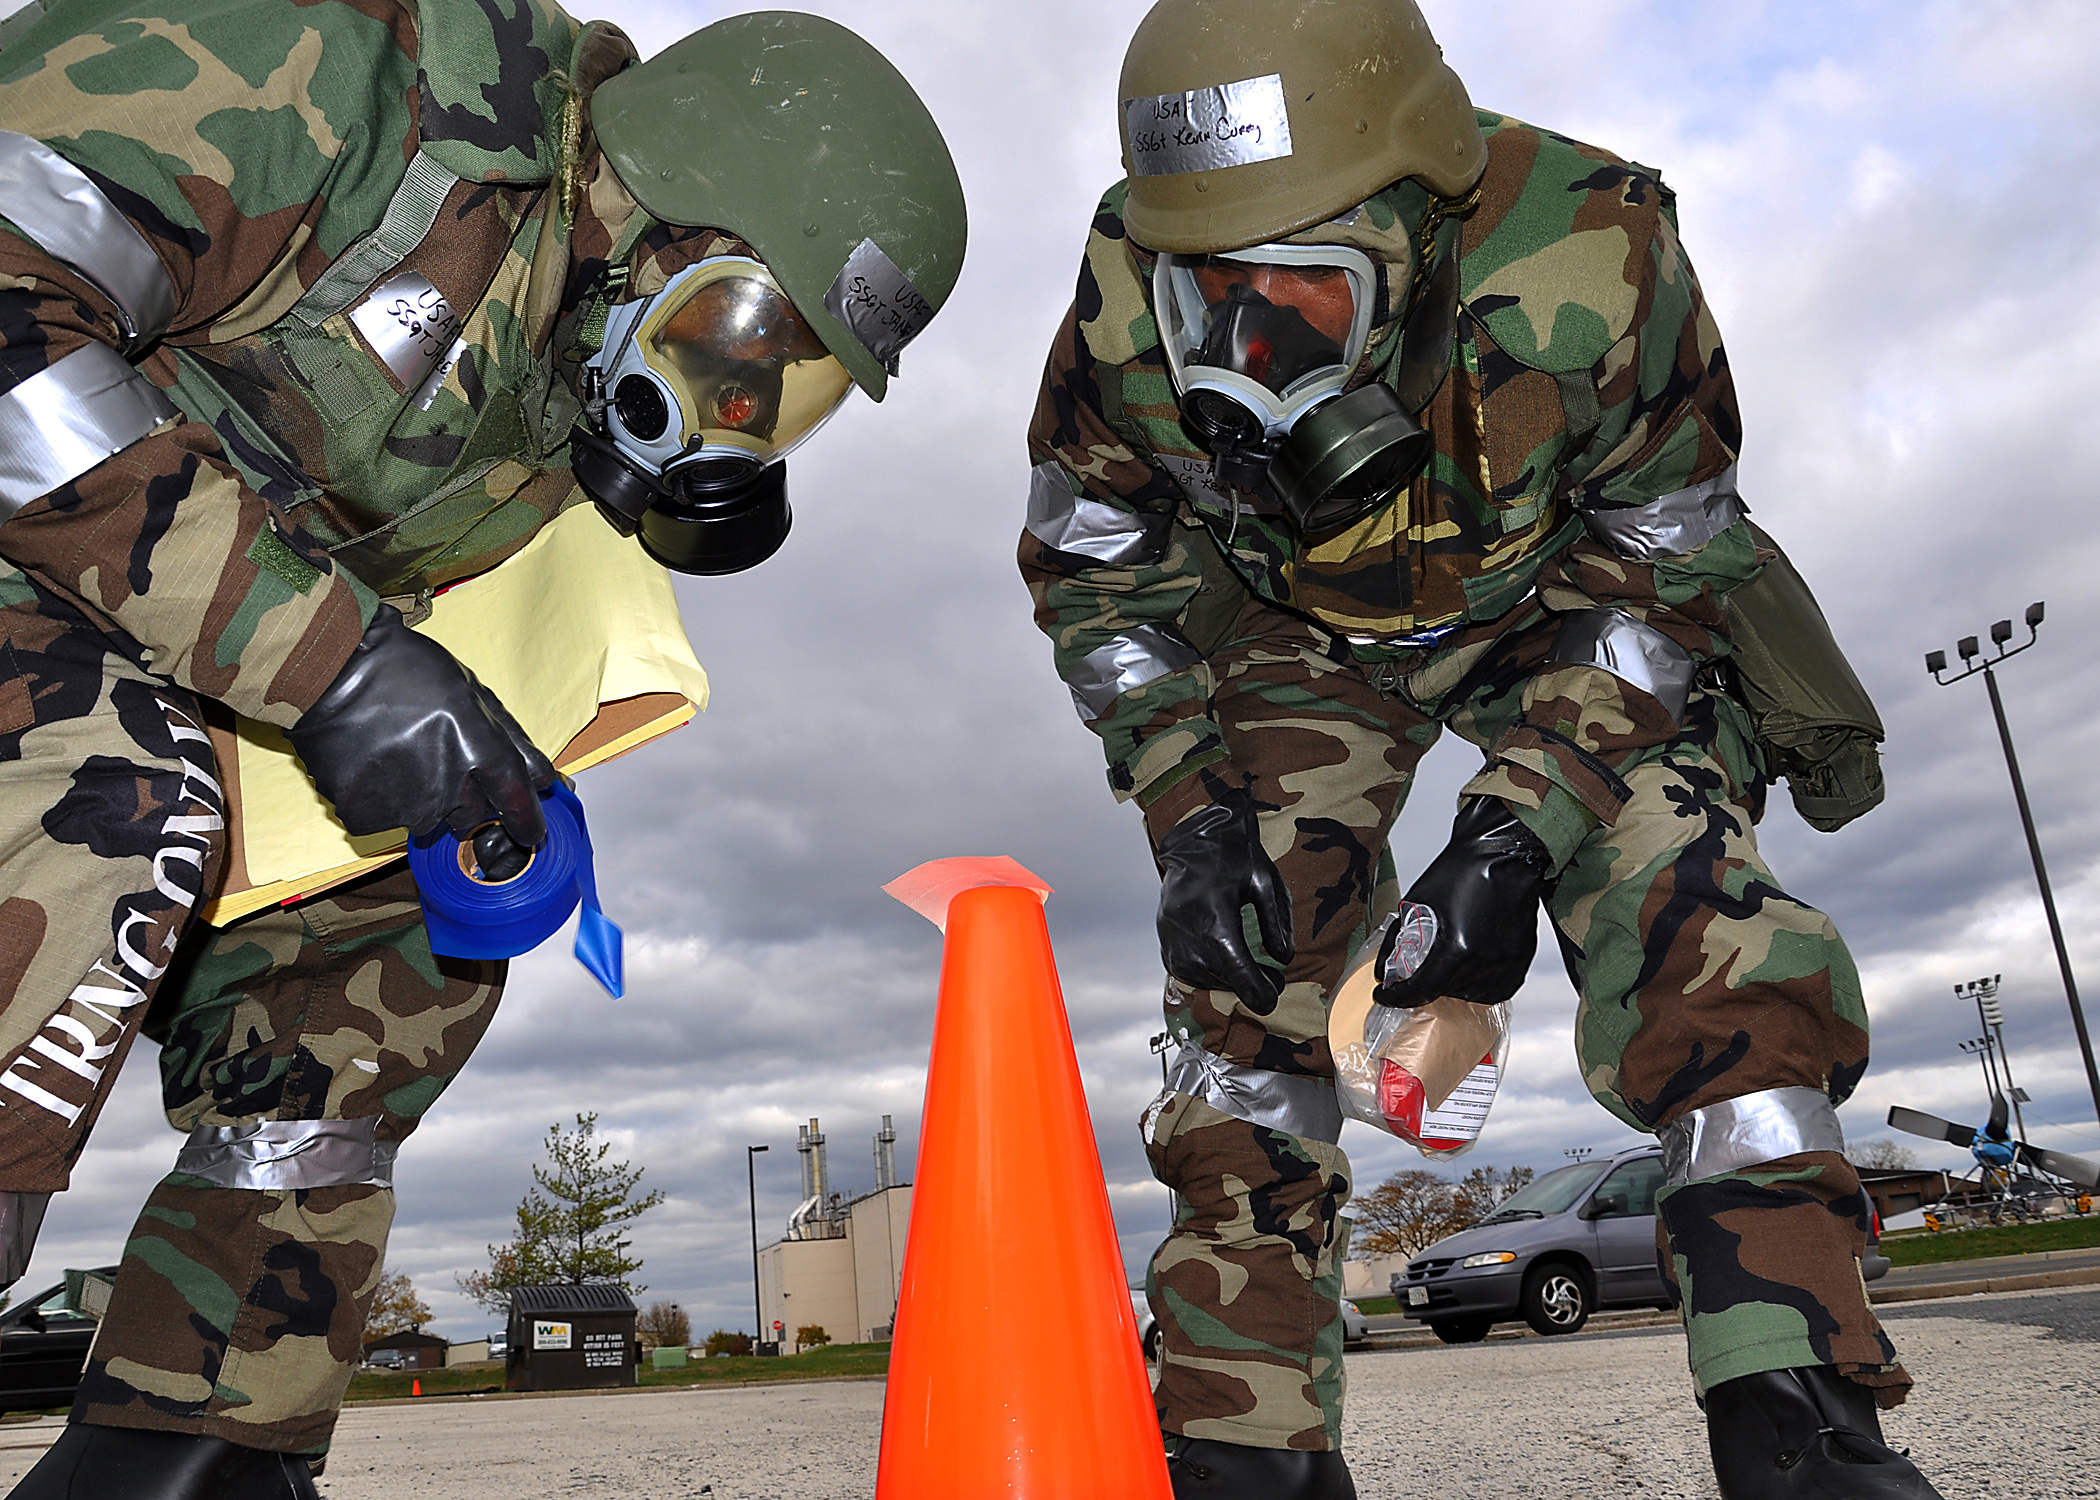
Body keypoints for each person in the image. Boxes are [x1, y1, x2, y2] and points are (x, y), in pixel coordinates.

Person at [0, 0, 964, 1493]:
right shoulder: (330, 71)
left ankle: (194, 1450)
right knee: (115, 801)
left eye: (783, 401)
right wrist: (337, 671)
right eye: (740, 345)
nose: (730, 417)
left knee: (396, 951)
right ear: (648, 200)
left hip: (103, 607)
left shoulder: (562, 336)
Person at [1018, 2, 1934, 1496]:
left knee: (1697, 922)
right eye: (1212, 295)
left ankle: (1798, 1414)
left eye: (1302, 295)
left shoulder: (1597, 256)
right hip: (1294, 632)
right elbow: (1096, 573)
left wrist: (1518, 827)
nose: (1245, 352)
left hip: (1569, 606)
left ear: (1416, 221)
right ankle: (1247, 1451)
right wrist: (1187, 813)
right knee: (1248, 988)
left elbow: (1669, 552)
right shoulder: (1122, 306)